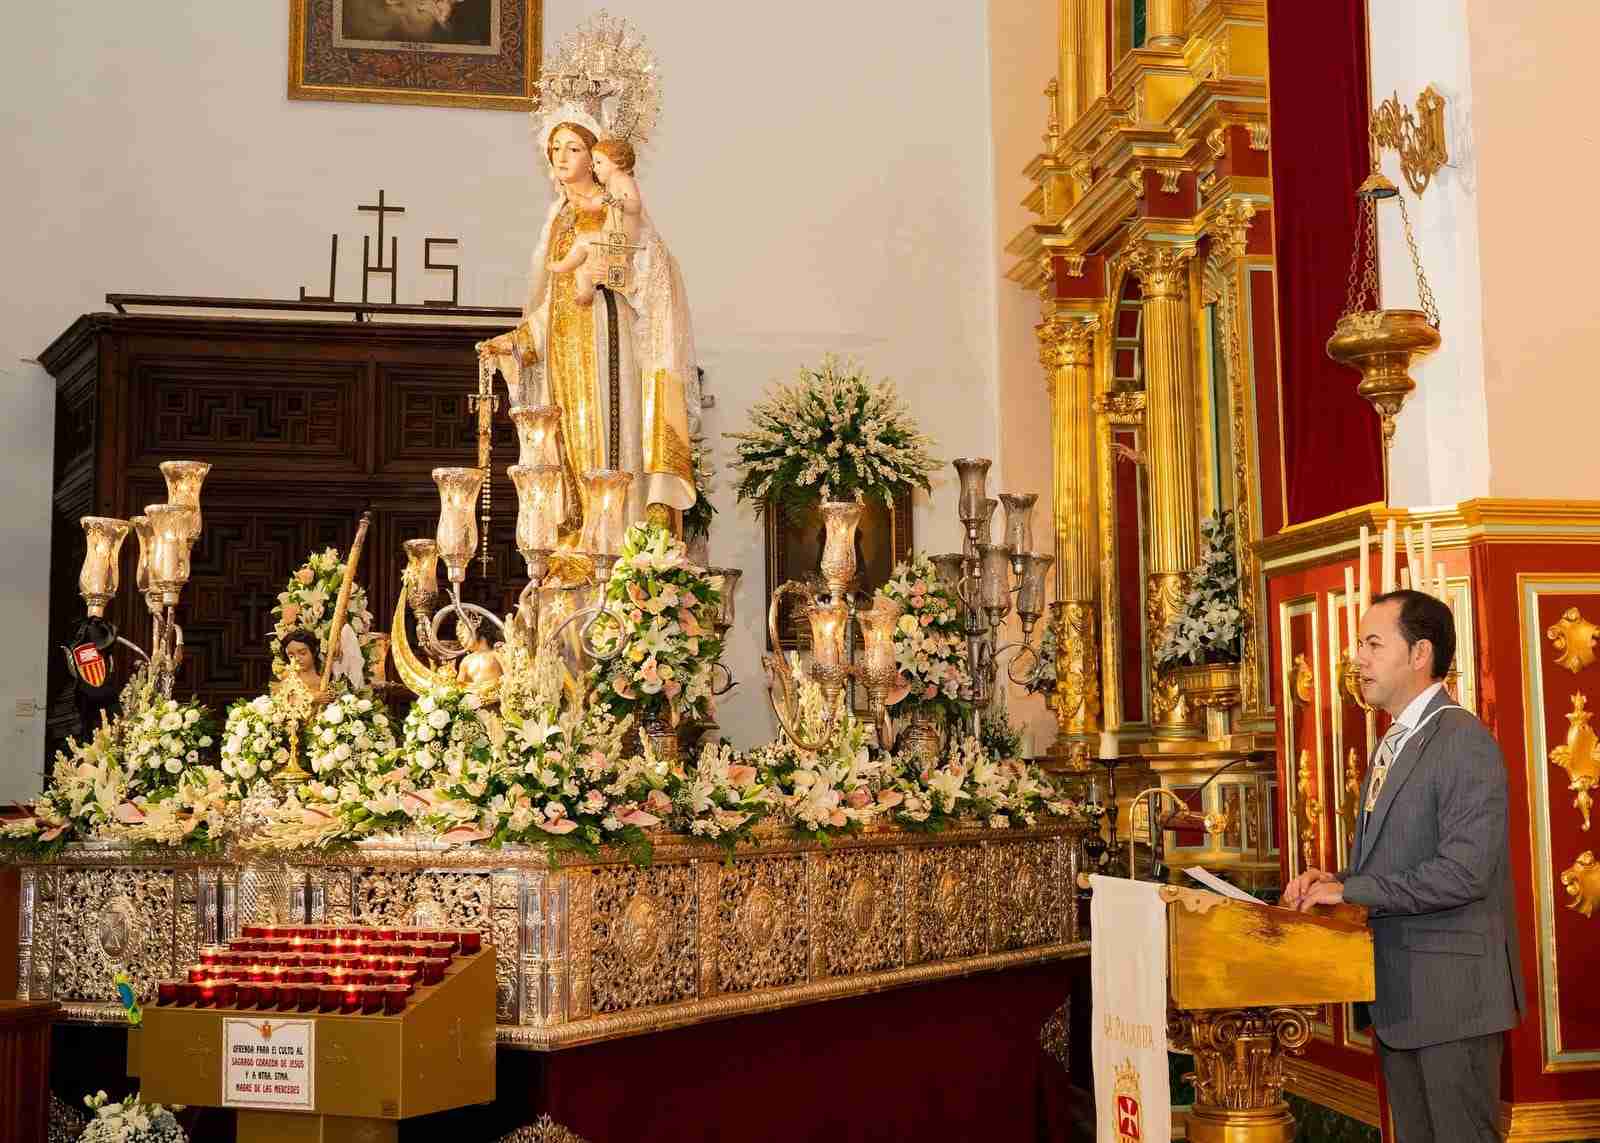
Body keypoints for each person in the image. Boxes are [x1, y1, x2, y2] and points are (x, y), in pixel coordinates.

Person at [1283, 589, 1524, 1142]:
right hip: (1401, 995)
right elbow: (1397, 860)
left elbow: (1464, 873)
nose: (1357, 658)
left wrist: (1353, 892)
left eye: (1372, 643)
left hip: (1452, 998)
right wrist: (1335, 882)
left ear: (1420, 653)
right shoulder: (1395, 740)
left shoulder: (1462, 740)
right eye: (1358, 644)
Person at [547, 138, 644, 305]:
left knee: (584, 240)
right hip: (612, 238)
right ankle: (585, 293)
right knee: (584, 267)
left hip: (622, 239)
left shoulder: (623, 180)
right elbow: (591, 205)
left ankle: (564, 265)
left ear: (616, 163)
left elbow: (635, 205)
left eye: (599, 162)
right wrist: (572, 194)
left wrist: (619, 203)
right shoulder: (609, 189)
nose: (594, 167)